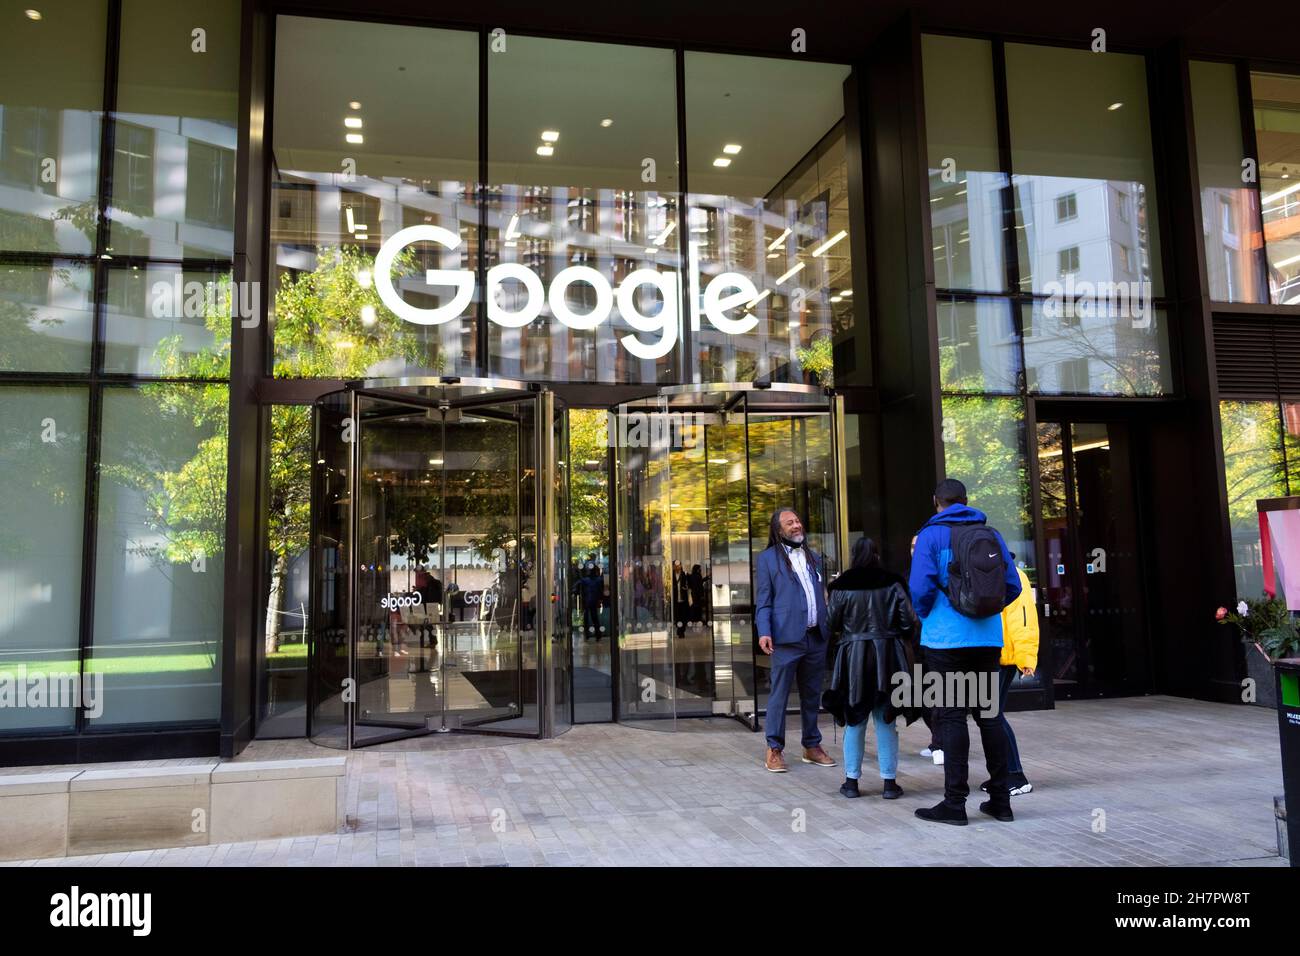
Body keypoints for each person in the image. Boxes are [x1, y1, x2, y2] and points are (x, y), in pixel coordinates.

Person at [908, 478, 1021, 825]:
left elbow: (919, 587)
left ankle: (955, 805)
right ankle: (1001, 802)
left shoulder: (930, 535)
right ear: (967, 501)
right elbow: (1013, 586)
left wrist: (930, 616)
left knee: (952, 717)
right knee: (990, 717)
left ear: (936, 502)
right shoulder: (991, 534)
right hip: (987, 641)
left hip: (945, 643)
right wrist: (986, 614)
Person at [823, 537, 920, 799]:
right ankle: (889, 783)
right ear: (877, 554)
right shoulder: (893, 583)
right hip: (888, 655)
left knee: (854, 719)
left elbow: (830, 622)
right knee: (886, 717)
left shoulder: (841, 586)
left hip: (853, 656)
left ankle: (851, 782)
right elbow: (909, 621)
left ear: (853, 555)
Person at [756, 507, 836, 772]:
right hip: (786, 638)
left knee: (812, 694)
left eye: (798, 520)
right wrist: (764, 631)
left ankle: (811, 745)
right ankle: (774, 748)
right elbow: (764, 600)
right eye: (789, 523)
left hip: (815, 636)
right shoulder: (768, 559)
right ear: (779, 530)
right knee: (779, 694)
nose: (796, 525)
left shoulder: (813, 557)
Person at [980, 563, 1039, 797]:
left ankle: (1017, 775)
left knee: (993, 715)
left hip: (1005, 657)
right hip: (992, 653)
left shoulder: (1014, 575)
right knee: (990, 715)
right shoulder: (988, 572)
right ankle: (1003, 775)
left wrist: (1026, 657)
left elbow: (1022, 619)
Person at [671, 560, 691, 639]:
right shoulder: (671, 575)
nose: (677, 567)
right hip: (675, 600)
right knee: (677, 616)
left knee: (683, 617)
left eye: (679, 565)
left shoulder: (685, 574)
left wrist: (686, 587)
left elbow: (690, 583)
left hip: (683, 599)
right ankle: (679, 629)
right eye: (675, 566)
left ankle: (681, 631)